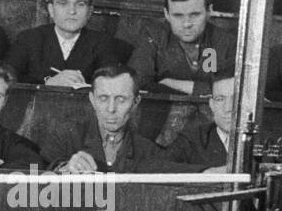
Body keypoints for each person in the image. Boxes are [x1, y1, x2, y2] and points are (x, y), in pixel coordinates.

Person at [51, 65, 204, 172]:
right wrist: (65, 169)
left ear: (136, 102)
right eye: (103, 98)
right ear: (92, 99)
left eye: (121, 99)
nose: (111, 109)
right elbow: (43, 170)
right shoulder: (67, 135)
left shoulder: (149, 150)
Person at [5, 0, 126, 86]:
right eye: (63, 4)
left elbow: (112, 85)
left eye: (80, 4)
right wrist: (48, 83)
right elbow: (7, 80)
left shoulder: (102, 43)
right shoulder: (28, 39)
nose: (72, 11)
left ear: (90, 12)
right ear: (51, 10)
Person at [127, 0, 236, 95]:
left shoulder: (226, 41)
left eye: (194, 15)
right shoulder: (153, 36)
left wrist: (174, 84)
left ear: (209, 11)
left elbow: (233, 89)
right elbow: (135, 83)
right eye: (178, 16)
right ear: (166, 14)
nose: (186, 24)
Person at [166, 73, 233, 171]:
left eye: (236, 98)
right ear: (212, 105)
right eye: (220, 99)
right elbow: (161, 166)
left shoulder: (262, 140)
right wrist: (206, 172)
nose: (228, 108)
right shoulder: (192, 139)